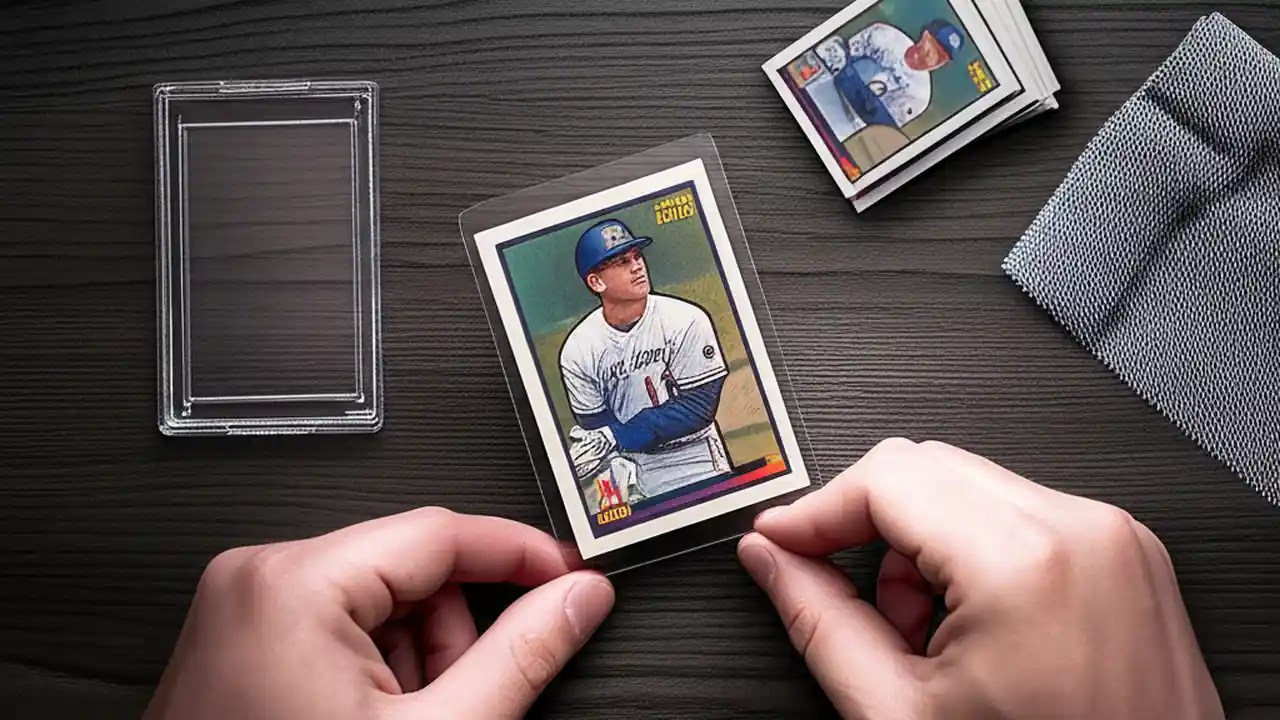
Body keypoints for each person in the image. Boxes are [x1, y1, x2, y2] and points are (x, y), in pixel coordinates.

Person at [143, 439, 1224, 719]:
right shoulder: (583, 352)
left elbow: (685, 411)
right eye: (602, 265)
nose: (619, 274)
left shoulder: (680, 321)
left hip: (693, 475)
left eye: (626, 260)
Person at [559, 219, 731, 504]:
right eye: (622, 261)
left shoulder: (685, 319)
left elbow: (699, 407)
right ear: (596, 281)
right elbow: (595, 423)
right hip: (626, 463)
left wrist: (618, 435)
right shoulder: (578, 349)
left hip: (695, 456)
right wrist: (612, 474)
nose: (637, 266)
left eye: (637, 256)